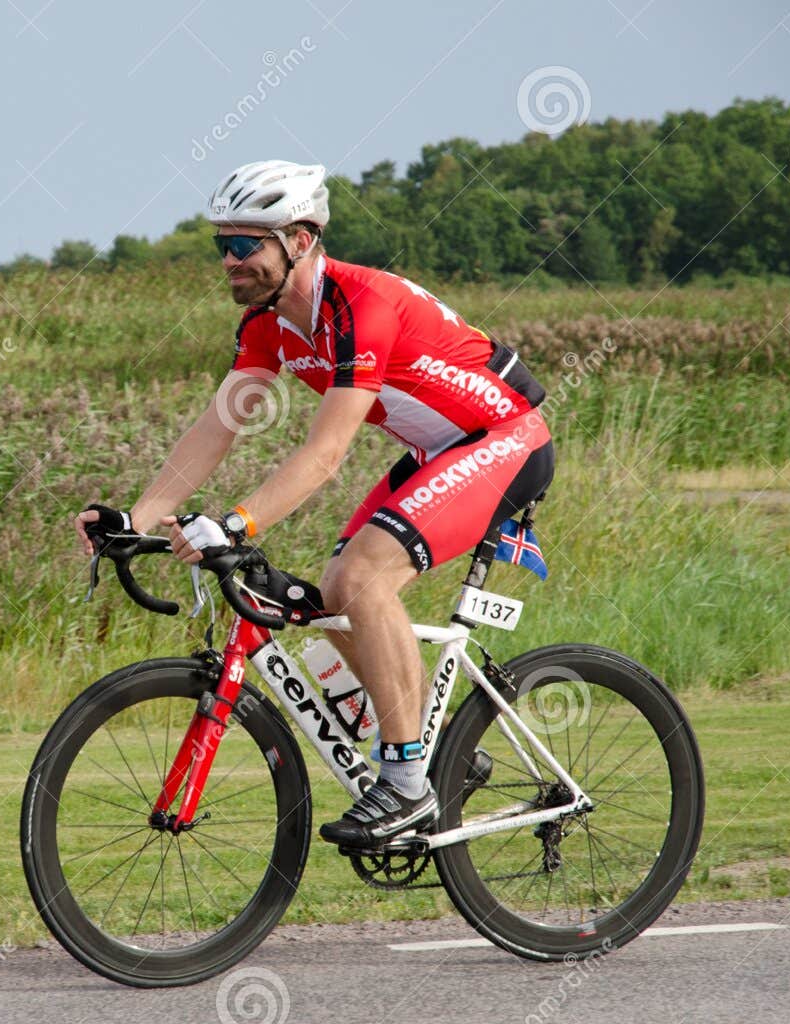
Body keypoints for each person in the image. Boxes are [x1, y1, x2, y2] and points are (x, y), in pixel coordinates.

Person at [73, 160, 554, 846]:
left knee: (363, 578)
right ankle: (443, 755)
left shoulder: (360, 305)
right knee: (330, 598)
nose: (230, 261)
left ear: (299, 239)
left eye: (247, 244)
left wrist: (234, 523)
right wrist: (137, 517)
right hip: (438, 452)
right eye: (222, 245)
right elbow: (217, 427)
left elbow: (326, 456)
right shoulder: (268, 323)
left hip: (504, 438)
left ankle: (408, 782)